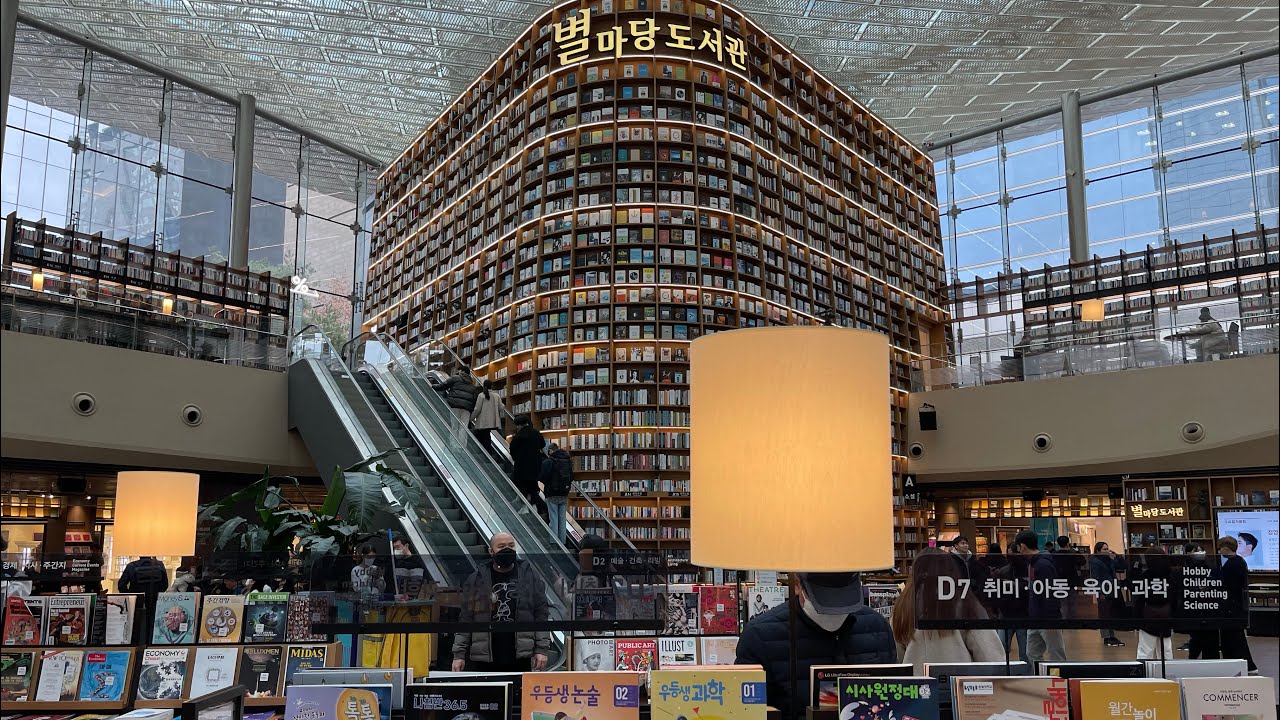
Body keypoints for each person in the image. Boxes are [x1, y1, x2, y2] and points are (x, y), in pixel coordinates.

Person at [735, 572, 895, 717]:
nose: (835, 611)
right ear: (797, 585)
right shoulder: (760, 636)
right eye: (824, 603)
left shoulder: (877, 628)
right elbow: (746, 712)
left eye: (842, 601)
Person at [892, 549, 1004, 674]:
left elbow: (899, 657)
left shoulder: (902, 607)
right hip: (958, 684)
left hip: (917, 686)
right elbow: (990, 655)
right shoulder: (964, 605)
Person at [452, 532, 551, 673]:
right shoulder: (476, 580)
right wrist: (458, 655)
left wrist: (541, 649)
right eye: (501, 546)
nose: (507, 549)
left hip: (521, 654)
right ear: (491, 552)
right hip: (485, 656)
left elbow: (541, 614)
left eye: (511, 545)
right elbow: (466, 619)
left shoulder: (530, 576)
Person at [1014, 530, 1066, 664]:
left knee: (1055, 652)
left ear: (1022, 546)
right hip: (1035, 617)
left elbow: (1050, 593)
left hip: (1047, 618)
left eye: (1018, 546)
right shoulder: (1033, 563)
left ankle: (1058, 681)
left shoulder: (1043, 565)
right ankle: (1040, 678)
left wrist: (1051, 618)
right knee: (1032, 653)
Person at [1216, 536, 1257, 672]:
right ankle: (1242, 665)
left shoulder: (1231, 565)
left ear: (1226, 548)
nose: (1219, 550)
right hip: (1236, 605)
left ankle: (1246, 665)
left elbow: (1223, 585)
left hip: (1231, 607)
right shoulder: (1240, 561)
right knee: (1235, 638)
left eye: (1220, 547)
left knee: (1234, 638)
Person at [1132, 546, 1174, 659]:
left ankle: (1144, 674)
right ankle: (1168, 674)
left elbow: (1138, 600)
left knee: (1145, 650)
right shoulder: (1171, 575)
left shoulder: (1144, 576)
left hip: (1148, 616)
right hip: (1166, 615)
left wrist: (1136, 620)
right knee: (1166, 650)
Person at [994, 544, 1030, 662]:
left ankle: (1027, 673)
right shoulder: (1004, 571)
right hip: (1007, 614)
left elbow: (1029, 589)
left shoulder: (1027, 569)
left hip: (1022, 614)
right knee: (1002, 647)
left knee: (1025, 651)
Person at [119, 555, 168, 637]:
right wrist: (157, 594)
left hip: (137, 602)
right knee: (153, 625)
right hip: (155, 602)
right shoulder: (159, 565)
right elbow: (165, 585)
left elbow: (121, 585)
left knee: (136, 628)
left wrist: (131, 596)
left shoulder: (131, 566)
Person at [510, 414, 548, 518]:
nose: (517, 427)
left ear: (520, 425)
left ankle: (525, 505)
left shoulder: (518, 436)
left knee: (522, 484)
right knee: (532, 484)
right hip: (535, 464)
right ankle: (534, 505)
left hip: (522, 465)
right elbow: (543, 444)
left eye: (518, 425)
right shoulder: (536, 433)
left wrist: (516, 458)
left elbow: (512, 449)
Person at [1089, 542, 1124, 647]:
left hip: (1112, 589)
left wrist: (1117, 555)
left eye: (1107, 548)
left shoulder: (1110, 560)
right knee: (1104, 614)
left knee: (1110, 613)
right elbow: (1096, 578)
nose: (1107, 550)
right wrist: (1100, 592)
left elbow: (1122, 565)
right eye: (1104, 549)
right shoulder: (1095, 562)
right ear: (1098, 551)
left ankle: (1112, 635)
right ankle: (1106, 636)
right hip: (1104, 591)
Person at [538, 443, 573, 543]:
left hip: (552, 492)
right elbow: (571, 476)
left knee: (553, 518)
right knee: (562, 519)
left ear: (550, 450)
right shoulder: (567, 460)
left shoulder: (549, 461)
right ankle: (563, 541)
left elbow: (542, 476)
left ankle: (554, 542)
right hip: (564, 493)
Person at [441, 368, 482, 444]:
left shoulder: (455, 378)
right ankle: (462, 447)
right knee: (464, 428)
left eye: (459, 370)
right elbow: (474, 399)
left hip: (455, 405)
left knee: (454, 427)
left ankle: (453, 445)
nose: (458, 372)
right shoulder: (472, 384)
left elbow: (444, 385)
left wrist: (433, 386)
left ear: (462, 371)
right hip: (466, 408)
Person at [1051, 535, 1086, 617]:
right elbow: (1083, 561)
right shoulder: (1073, 554)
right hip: (1071, 581)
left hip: (1059, 581)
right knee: (1072, 602)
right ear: (1068, 544)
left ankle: (1064, 621)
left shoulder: (1054, 554)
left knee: (1062, 603)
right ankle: (1072, 622)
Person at [470, 380, 505, 459]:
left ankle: (486, 455)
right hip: (493, 421)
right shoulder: (496, 396)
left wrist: (471, 418)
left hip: (483, 422)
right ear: (491, 386)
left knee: (483, 438)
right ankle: (492, 455)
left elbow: (477, 409)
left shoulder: (481, 395)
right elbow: (501, 407)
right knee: (488, 438)